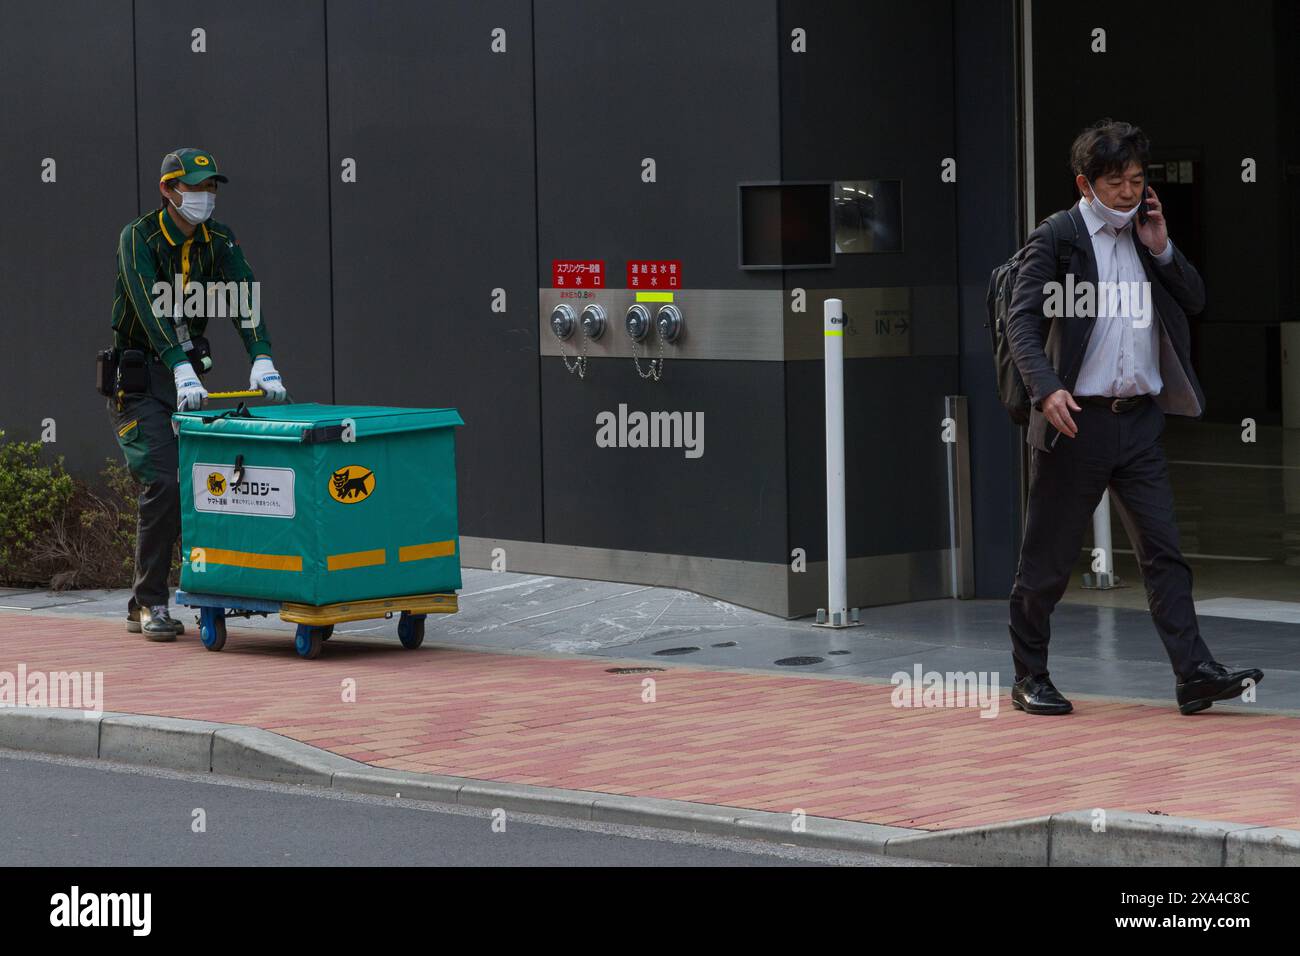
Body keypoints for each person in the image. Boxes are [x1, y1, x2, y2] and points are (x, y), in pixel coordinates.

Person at [1006, 119, 1262, 716]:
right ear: (1085, 183)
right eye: (1115, 182)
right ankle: (1030, 675)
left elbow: (1196, 300)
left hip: (1139, 421)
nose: (1127, 192)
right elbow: (1022, 321)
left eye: (1136, 180)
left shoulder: (1146, 237)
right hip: (1077, 420)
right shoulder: (1058, 239)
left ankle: (1194, 673)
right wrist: (1045, 391)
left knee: (1164, 551)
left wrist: (1162, 247)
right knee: (1048, 557)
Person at [106, 148, 288, 640]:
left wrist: (262, 355)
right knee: (164, 482)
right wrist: (179, 367)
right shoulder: (138, 238)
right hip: (141, 378)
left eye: (211, 187)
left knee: (206, 483)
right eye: (196, 186)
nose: (206, 196)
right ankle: (150, 605)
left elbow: (242, 294)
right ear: (168, 190)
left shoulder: (218, 239)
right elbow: (147, 306)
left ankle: (202, 587)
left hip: (188, 377)